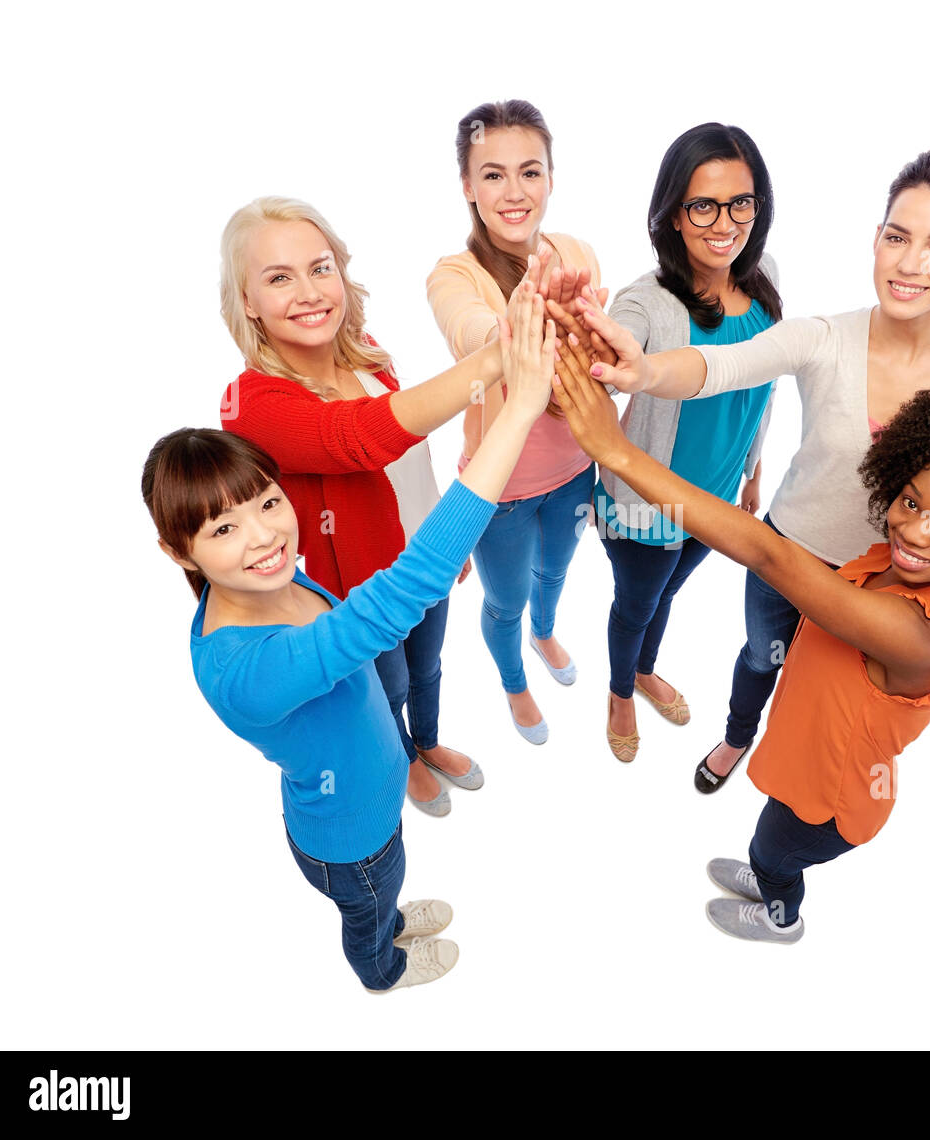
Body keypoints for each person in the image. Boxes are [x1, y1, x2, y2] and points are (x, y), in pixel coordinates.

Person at [549, 334, 930, 943]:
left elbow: (771, 556)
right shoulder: (894, 564)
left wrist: (620, 452)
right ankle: (773, 871)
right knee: (773, 833)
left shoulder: (919, 634)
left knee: (773, 848)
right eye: (910, 501)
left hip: (834, 800)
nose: (916, 531)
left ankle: (780, 911)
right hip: (814, 761)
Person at [562, 145, 930, 791]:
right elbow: (722, 366)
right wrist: (644, 371)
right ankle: (736, 737)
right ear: (877, 238)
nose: (910, 264)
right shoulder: (823, 337)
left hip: (898, 587)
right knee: (762, 655)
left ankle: (799, 787)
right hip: (790, 548)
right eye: (898, 237)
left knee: (829, 693)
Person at [144, 284, 557, 990]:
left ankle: (388, 915)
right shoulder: (248, 669)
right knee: (369, 902)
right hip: (349, 843)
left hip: (374, 809)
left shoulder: (274, 582)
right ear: (179, 553)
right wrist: (515, 411)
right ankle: (382, 966)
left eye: (267, 503)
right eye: (222, 529)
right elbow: (402, 591)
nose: (266, 535)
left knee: (389, 882)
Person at [219, 196, 487, 817]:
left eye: (320, 268)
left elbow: (408, 457)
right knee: (386, 683)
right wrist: (494, 359)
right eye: (278, 278)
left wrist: (445, 534)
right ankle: (402, 755)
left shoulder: (367, 350)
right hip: (360, 588)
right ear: (248, 302)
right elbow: (357, 440)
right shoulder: (251, 401)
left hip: (423, 558)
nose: (309, 291)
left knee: (429, 666)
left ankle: (427, 742)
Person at [582, 123, 783, 763]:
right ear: (672, 214)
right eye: (702, 205)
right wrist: (602, 348)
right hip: (648, 504)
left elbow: (762, 388)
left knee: (668, 593)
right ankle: (620, 689)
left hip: (718, 496)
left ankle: (643, 671)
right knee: (636, 604)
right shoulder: (650, 300)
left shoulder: (766, 275)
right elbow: (625, 340)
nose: (724, 223)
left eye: (740, 202)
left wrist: (753, 472)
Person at [426, 99, 603, 745]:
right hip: (498, 492)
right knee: (502, 601)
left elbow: (592, 362)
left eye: (530, 171)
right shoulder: (455, 274)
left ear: (550, 179)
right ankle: (512, 681)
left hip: (574, 473)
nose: (513, 191)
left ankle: (547, 630)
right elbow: (468, 333)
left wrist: (594, 337)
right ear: (469, 187)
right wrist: (520, 320)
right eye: (493, 174)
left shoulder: (576, 252)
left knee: (553, 574)